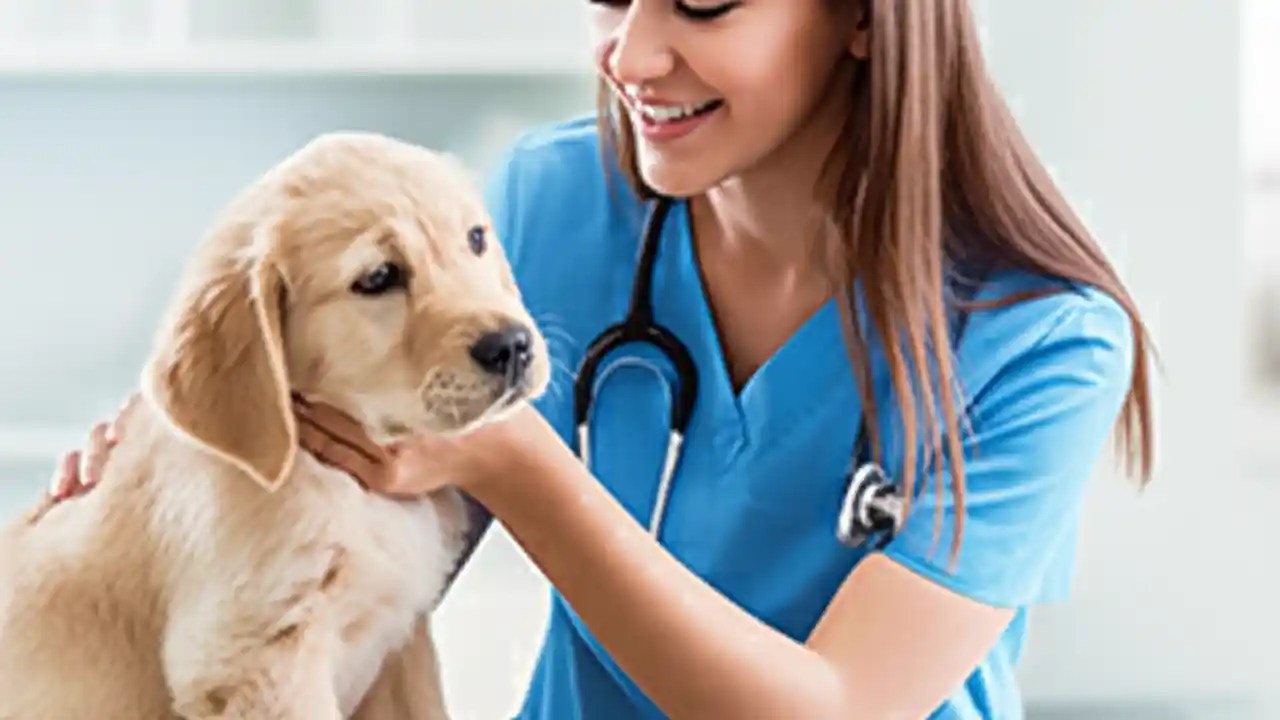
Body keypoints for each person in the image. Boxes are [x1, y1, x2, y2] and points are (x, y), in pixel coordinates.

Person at [49, 1, 1156, 718]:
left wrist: (519, 466)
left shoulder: (1040, 338)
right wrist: (189, 467)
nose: (631, 57)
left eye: (702, 3)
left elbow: (837, 707)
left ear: (865, 19)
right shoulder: (560, 202)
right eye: (609, 1)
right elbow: (365, 524)